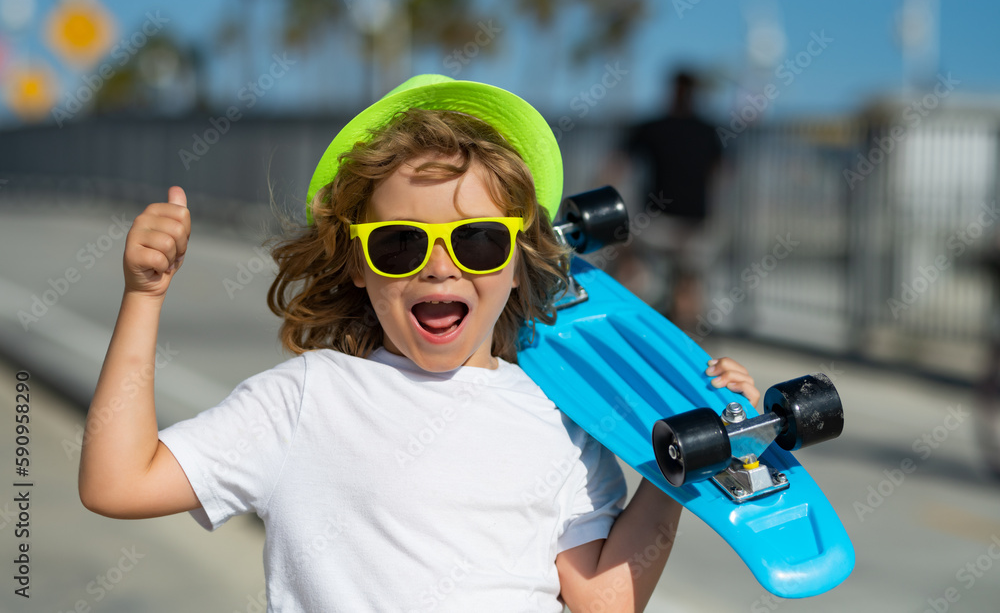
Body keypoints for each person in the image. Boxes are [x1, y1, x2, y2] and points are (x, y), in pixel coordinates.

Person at [78, 74, 760, 612]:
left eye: (478, 240)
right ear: (357, 261)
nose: (441, 265)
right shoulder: (308, 398)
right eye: (401, 243)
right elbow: (118, 480)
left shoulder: (558, 423)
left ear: (519, 257)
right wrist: (144, 297)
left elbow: (604, 601)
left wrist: (679, 468)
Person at [617, 69, 723, 329]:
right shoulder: (709, 131)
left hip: (659, 223)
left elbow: (618, 164)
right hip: (695, 223)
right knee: (688, 283)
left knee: (630, 263)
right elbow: (721, 172)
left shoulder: (652, 127)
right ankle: (687, 341)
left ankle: (630, 325)